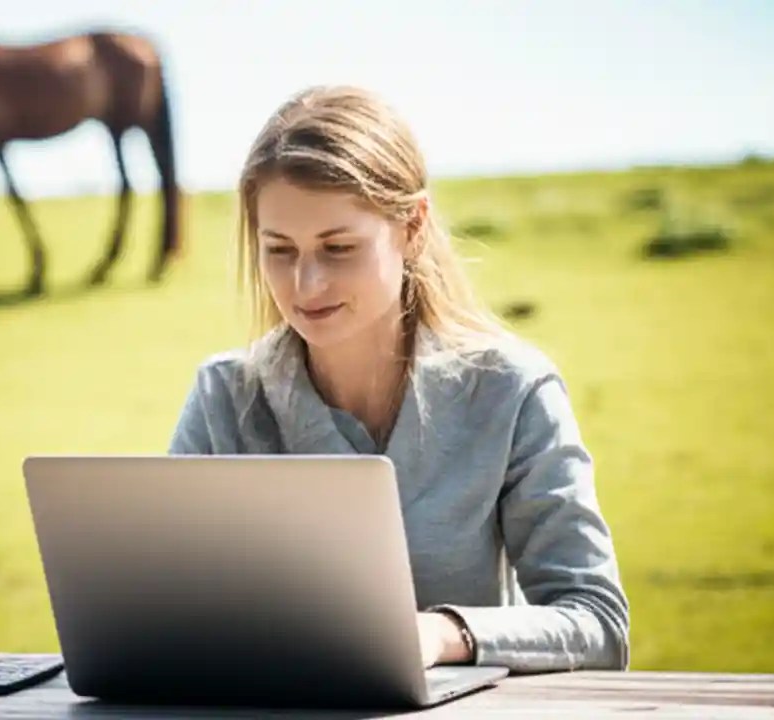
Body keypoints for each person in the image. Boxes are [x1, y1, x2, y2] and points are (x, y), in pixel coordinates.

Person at [168, 85, 629, 673]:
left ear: (412, 227)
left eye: (338, 248)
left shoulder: (511, 391)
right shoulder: (222, 397)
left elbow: (598, 623)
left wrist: (443, 634)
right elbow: (164, 611)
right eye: (279, 250)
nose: (306, 285)